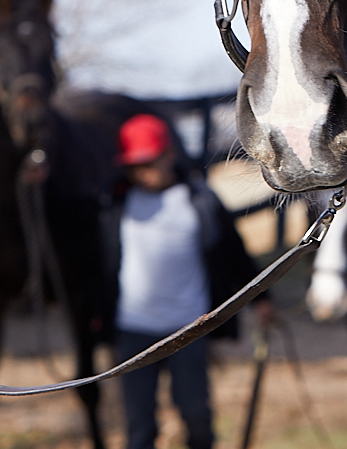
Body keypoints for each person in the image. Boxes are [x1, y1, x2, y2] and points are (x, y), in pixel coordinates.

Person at [111, 113, 264, 449]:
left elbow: (234, 253)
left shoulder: (200, 200)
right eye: (134, 166)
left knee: (196, 415)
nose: (141, 172)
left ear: (168, 155)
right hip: (133, 330)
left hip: (188, 329)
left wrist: (263, 301)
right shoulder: (116, 202)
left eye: (148, 163)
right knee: (139, 426)